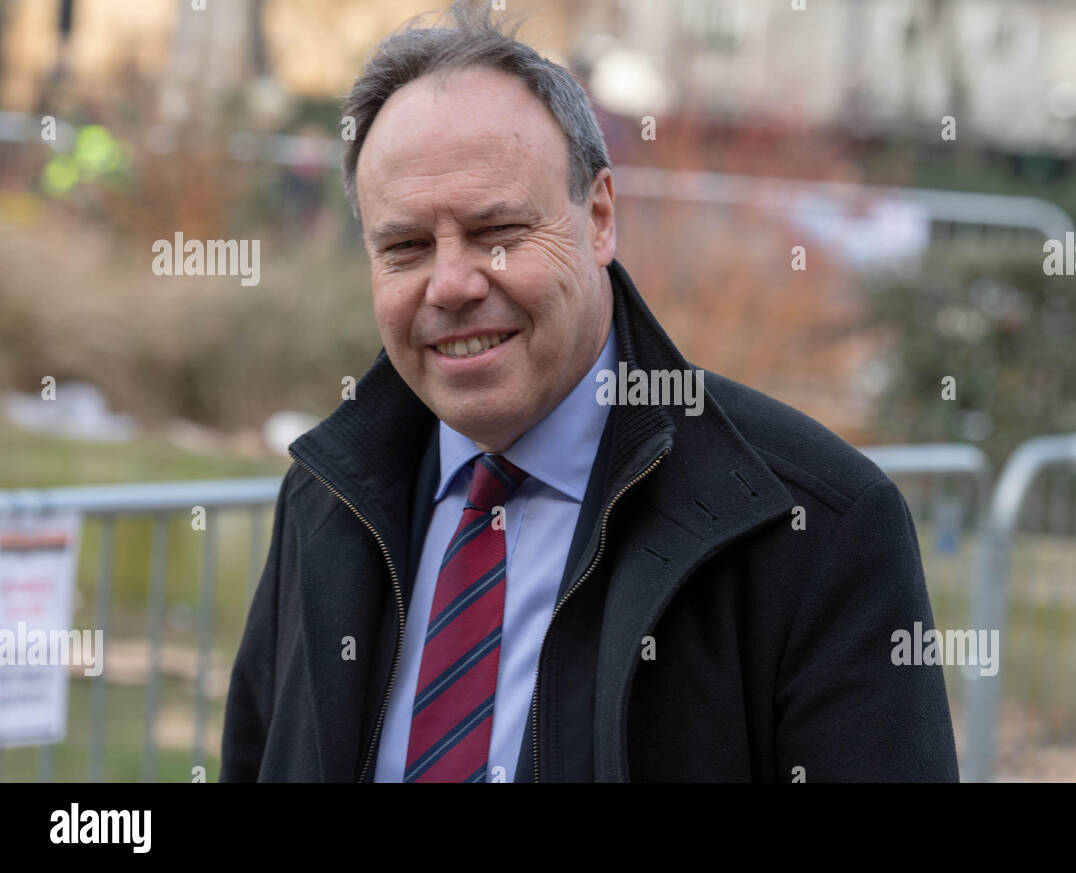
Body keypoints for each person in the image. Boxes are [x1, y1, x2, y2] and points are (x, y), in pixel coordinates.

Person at [220, 0, 958, 783]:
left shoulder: (816, 526)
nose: (453, 284)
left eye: (497, 234)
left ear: (599, 218)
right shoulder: (324, 503)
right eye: (404, 247)